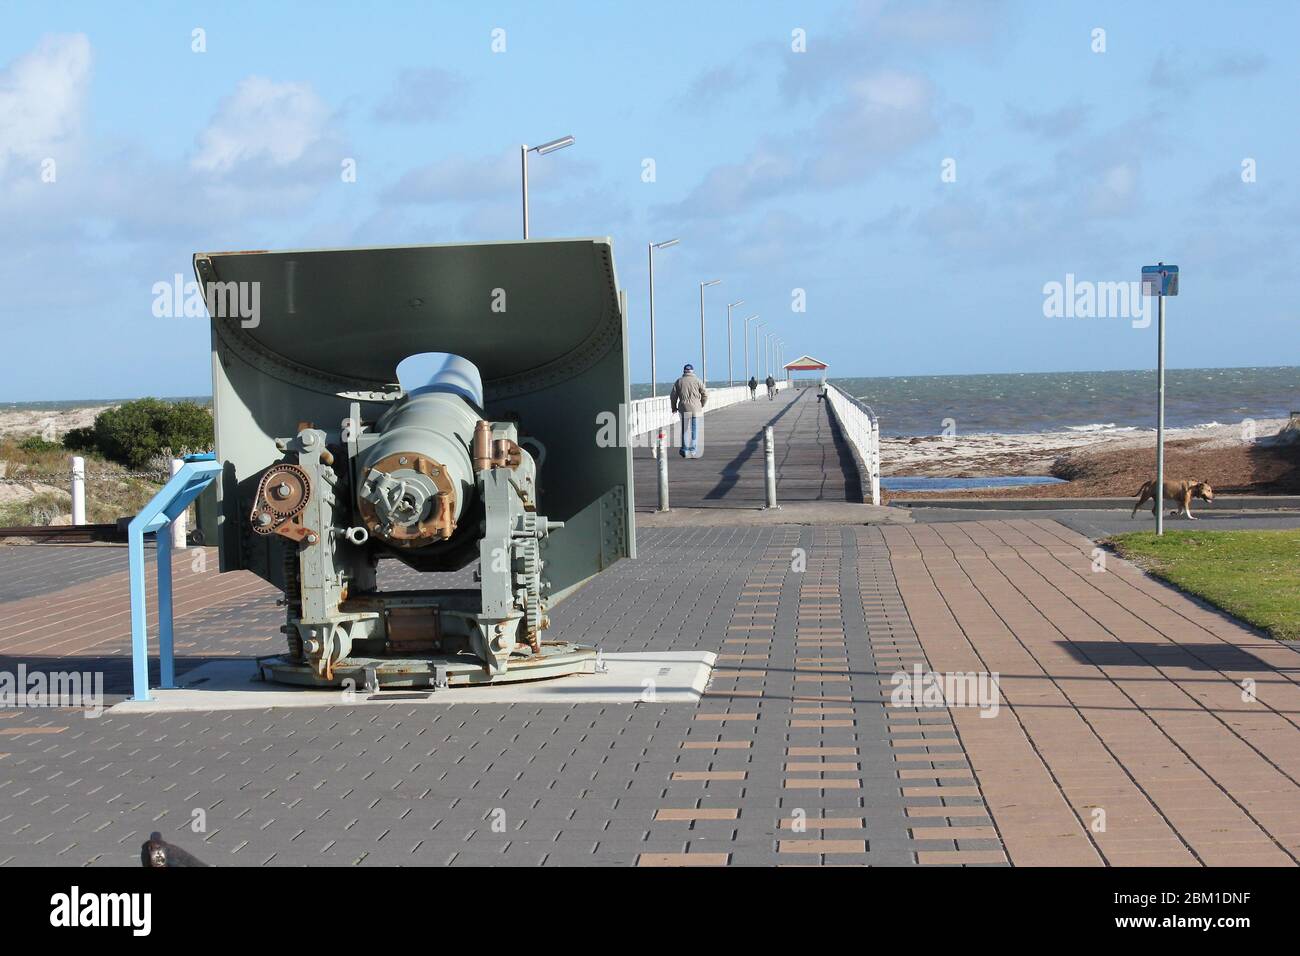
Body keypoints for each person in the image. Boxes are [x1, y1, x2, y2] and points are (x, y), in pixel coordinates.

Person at [670, 363, 707, 458]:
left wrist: (674, 407)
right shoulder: (698, 381)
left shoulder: (679, 381)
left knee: (685, 430)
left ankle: (685, 449)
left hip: (684, 408)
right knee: (694, 430)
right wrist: (701, 404)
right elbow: (705, 395)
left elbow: (673, 396)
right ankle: (693, 450)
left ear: (684, 371)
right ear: (692, 371)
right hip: (696, 409)